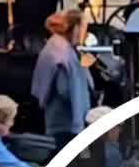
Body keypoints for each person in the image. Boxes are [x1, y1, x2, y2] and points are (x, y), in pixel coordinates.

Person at [31, 10, 95, 146]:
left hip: (55, 117)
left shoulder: (54, 47)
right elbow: (64, 89)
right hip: (66, 120)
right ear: (76, 28)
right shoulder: (64, 54)